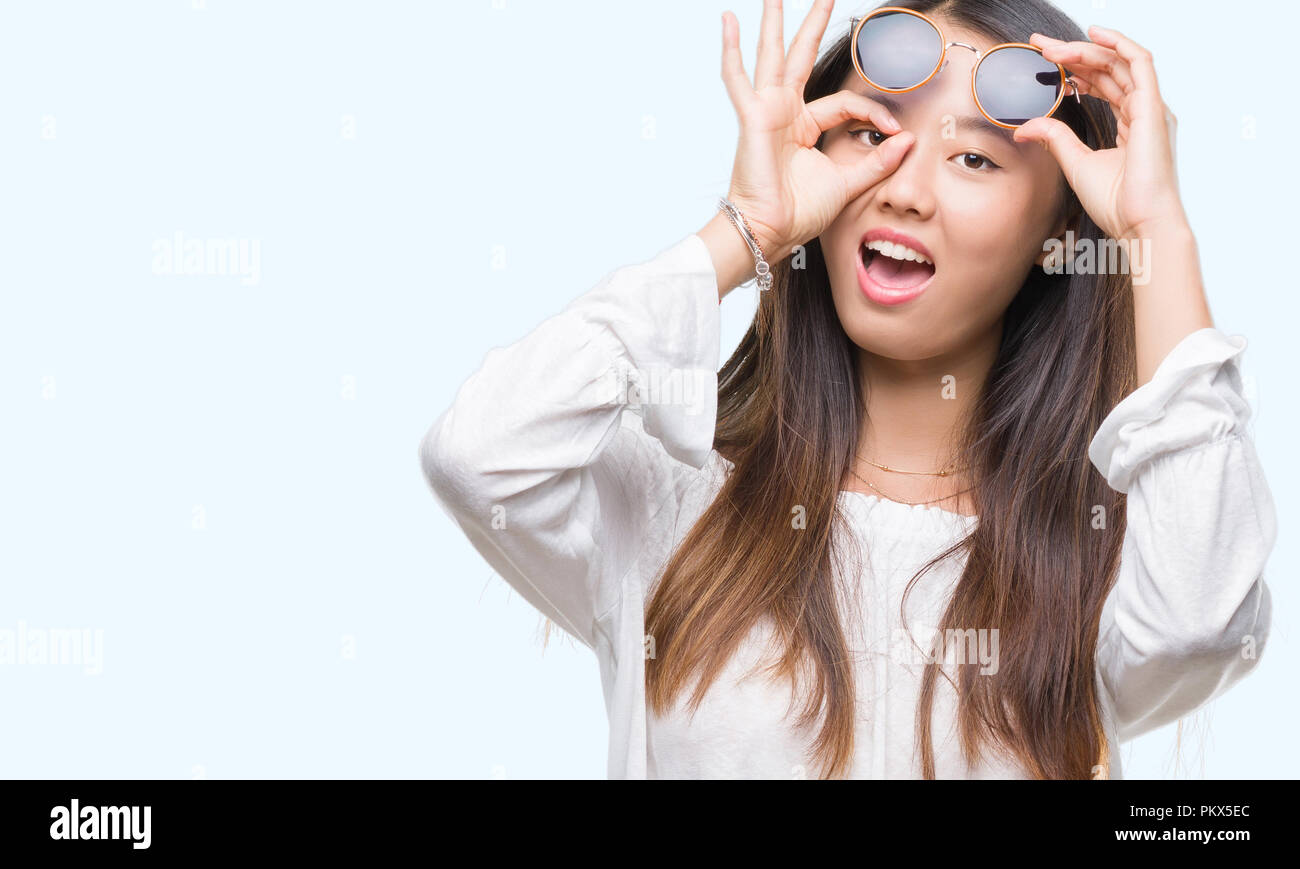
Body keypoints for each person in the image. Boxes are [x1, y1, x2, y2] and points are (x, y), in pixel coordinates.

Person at [419, 0, 1274, 779]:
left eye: (974, 156)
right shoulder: (671, 500)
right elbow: (480, 453)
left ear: (1059, 231)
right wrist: (745, 227)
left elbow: (1203, 624)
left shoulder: (1105, 550)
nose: (905, 189)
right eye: (871, 133)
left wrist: (1154, 229)